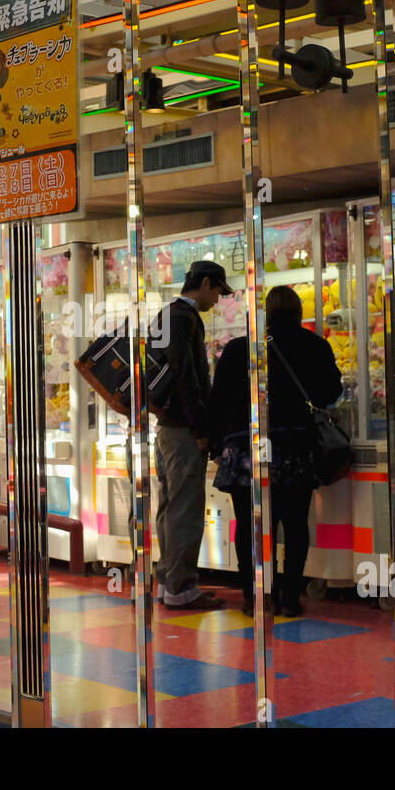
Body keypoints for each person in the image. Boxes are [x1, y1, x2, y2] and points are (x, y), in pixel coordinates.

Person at [209, 286, 342, 617]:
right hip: (294, 446)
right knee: (294, 522)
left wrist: (215, 445)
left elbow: (218, 400)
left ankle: (254, 597)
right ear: (299, 313)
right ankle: (289, 597)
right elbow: (330, 393)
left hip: (245, 449)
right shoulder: (314, 346)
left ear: (264, 314)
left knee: (250, 523)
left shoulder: (239, 348)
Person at [152, 260, 232, 610]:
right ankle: (181, 589)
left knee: (170, 505)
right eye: (217, 291)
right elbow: (187, 377)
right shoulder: (183, 319)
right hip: (183, 430)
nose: (217, 299)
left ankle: (167, 580)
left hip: (167, 427)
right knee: (184, 509)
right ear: (204, 283)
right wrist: (202, 429)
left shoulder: (166, 315)